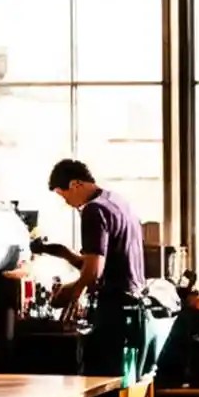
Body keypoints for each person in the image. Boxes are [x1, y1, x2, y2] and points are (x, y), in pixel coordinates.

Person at [45, 158, 157, 384]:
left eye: (63, 195)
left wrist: (71, 295)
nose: (67, 203)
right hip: (134, 311)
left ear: (76, 184)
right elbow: (103, 265)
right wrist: (65, 253)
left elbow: (94, 272)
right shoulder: (117, 201)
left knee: (97, 385)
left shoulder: (94, 211)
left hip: (114, 310)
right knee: (123, 387)